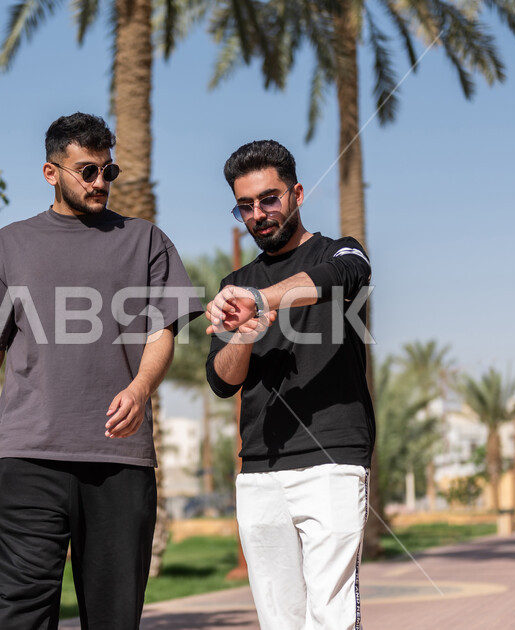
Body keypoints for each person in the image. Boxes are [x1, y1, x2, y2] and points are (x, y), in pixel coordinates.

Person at [0, 112, 202, 630]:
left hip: (119, 460)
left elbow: (163, 332)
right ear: (51, 172)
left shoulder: (146, 241)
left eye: (107, 172)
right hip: (27, 458)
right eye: (86, 171)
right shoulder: (10, 244)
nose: (99, 183)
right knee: (17, 615)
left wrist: (140, 386)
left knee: (114, 619)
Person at [204, 139, 375, 630]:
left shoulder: (338, 251)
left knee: (330, 616)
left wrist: (261, 299)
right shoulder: (235, 281)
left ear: (297, 193)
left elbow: (349, 274)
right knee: (278, 621)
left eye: (269, 198)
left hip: (333, 461)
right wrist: (242, 336)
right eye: (245, 206)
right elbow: (221, 382)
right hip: (260, 469)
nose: (259, 214)